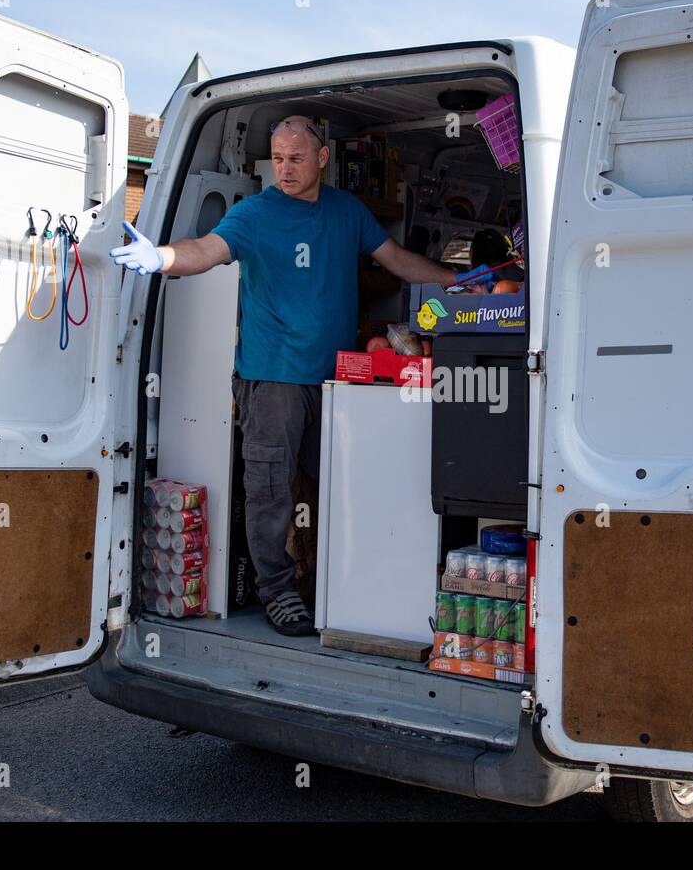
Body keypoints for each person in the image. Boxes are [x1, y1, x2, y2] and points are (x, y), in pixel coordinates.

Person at [111, 115, 458, 635]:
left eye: (296, 158)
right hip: (272, 379)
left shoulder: (347, 211)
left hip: (341, 383)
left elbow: (398, 261)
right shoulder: (255, 214)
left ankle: (342, 585)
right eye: (277, 158)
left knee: (345, 484)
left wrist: (460, 282)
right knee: (270, 490)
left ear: (322, 158)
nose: (285, 169)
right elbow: (206, 251)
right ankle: (277, 591)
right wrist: (160, 257)